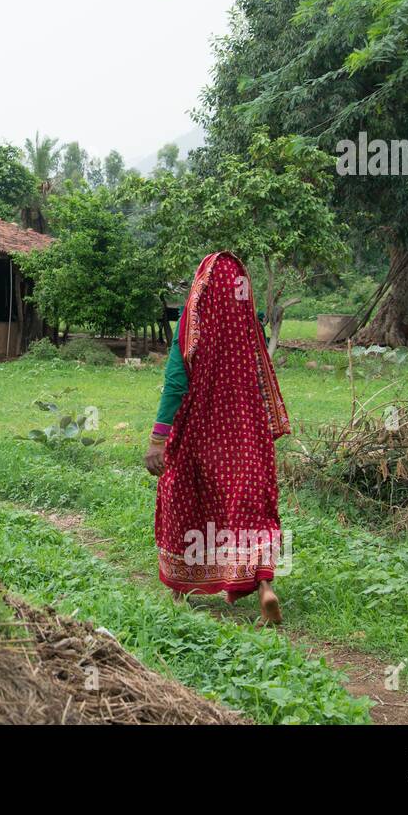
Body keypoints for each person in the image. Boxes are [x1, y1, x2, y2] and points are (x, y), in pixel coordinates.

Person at [143, 252, 291, 625]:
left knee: (181, 495)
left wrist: (158, 439)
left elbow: (176, 382)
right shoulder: (248, 325)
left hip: (201, 431)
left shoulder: (192, 323)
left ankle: (179, 589)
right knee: (250, 509)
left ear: (202, 286)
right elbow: (261, 378)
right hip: (247, 431)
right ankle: (265, 588)